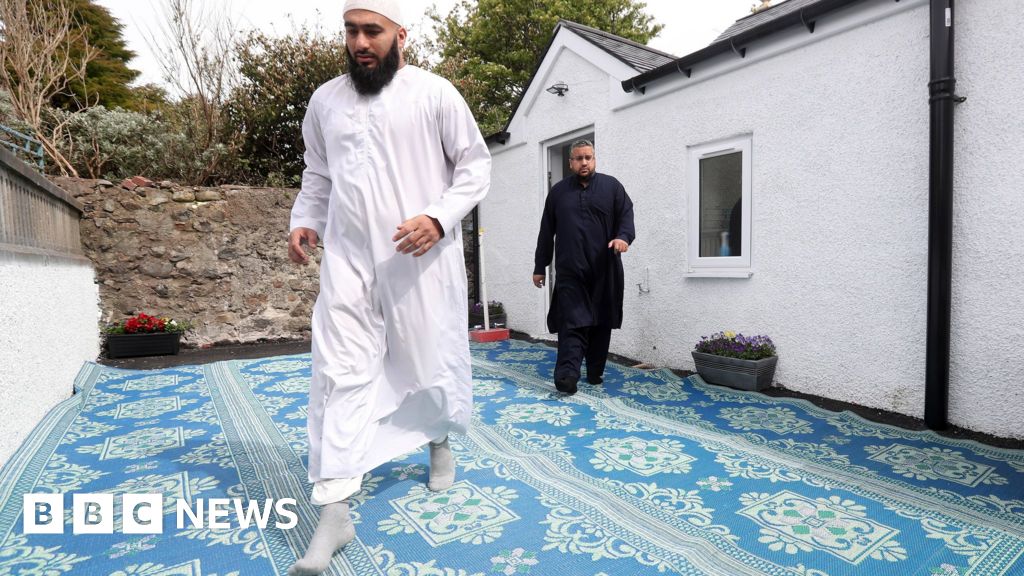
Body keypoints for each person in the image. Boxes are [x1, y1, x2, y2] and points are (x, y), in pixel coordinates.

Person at [286, 0, 490, 573]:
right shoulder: (325, 101)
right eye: (351, 31)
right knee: (339, 374)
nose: (360, 42)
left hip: (419, 258)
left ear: (401, 33)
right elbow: (318, 174)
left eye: (371, 30)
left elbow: (474, 167)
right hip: (348, 260)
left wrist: (438, 217)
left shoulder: (435, 94)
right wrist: (305, 217)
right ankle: (334, 512)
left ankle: (439, 439)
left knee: (428, 362)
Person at [532, 140, 634, 395]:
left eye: (588, 157)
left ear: (595, 159)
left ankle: (595, 370)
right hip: (571, 271)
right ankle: (567, 375)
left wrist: (623, 237)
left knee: (601, 320)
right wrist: (540, 266)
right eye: (578, 158)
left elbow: (626, 216)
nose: (584, 162)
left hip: (604, 269)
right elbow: (546, 231)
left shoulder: (612, 188)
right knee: (572, 322)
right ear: (571, 163)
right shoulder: (558, 193)